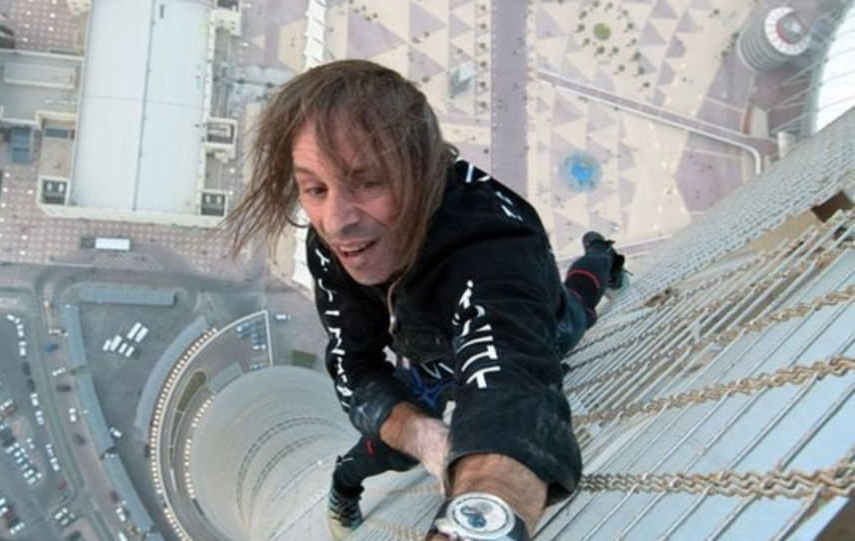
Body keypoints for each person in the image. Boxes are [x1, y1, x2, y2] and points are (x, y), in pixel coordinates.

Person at [225, 59, 625, 541]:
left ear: (424, 169)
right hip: (432, 358)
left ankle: (601, 255)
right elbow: (354, 361)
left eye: (367, 182)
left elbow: (511, 396)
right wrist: (423, 436)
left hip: (524, 327)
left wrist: (480, 514)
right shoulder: (333, 242)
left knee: (576, 311)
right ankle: (344, 485)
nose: (335, 221)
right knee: (382, 444)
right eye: (315, 188)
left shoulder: (492, 247)